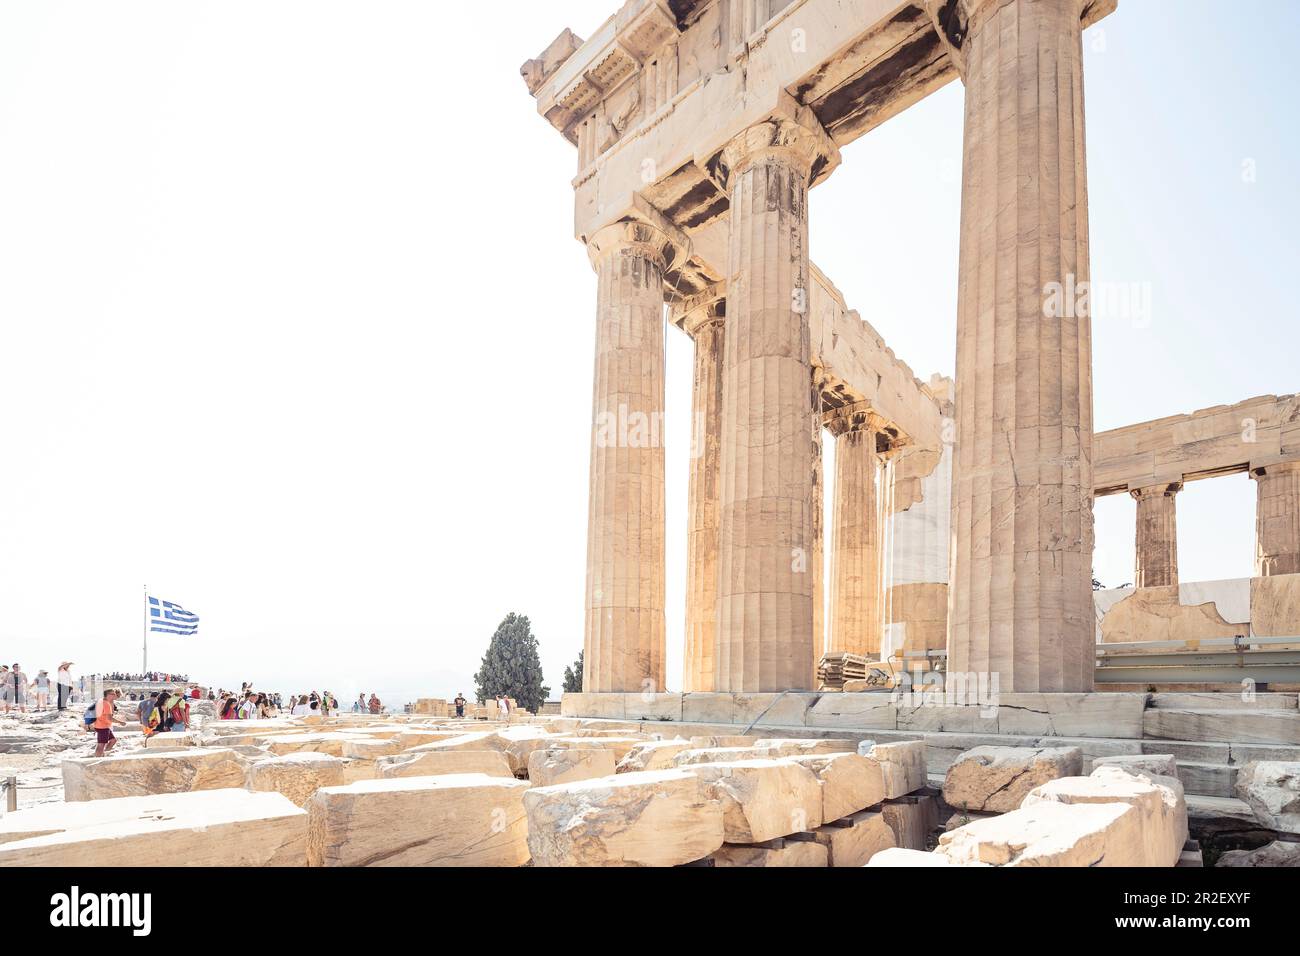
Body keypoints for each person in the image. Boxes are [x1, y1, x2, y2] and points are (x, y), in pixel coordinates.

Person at [93, 689, 126, 756]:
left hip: (100, 725)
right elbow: (109, 718)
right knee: (101, 744)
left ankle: (104, 753)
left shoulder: (101, 701)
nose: (114, 695)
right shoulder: (106, 704)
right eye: (112, 694)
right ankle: (98, 758)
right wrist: (120, 722)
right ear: (108, 695)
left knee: (113, 740)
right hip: (103, 726)